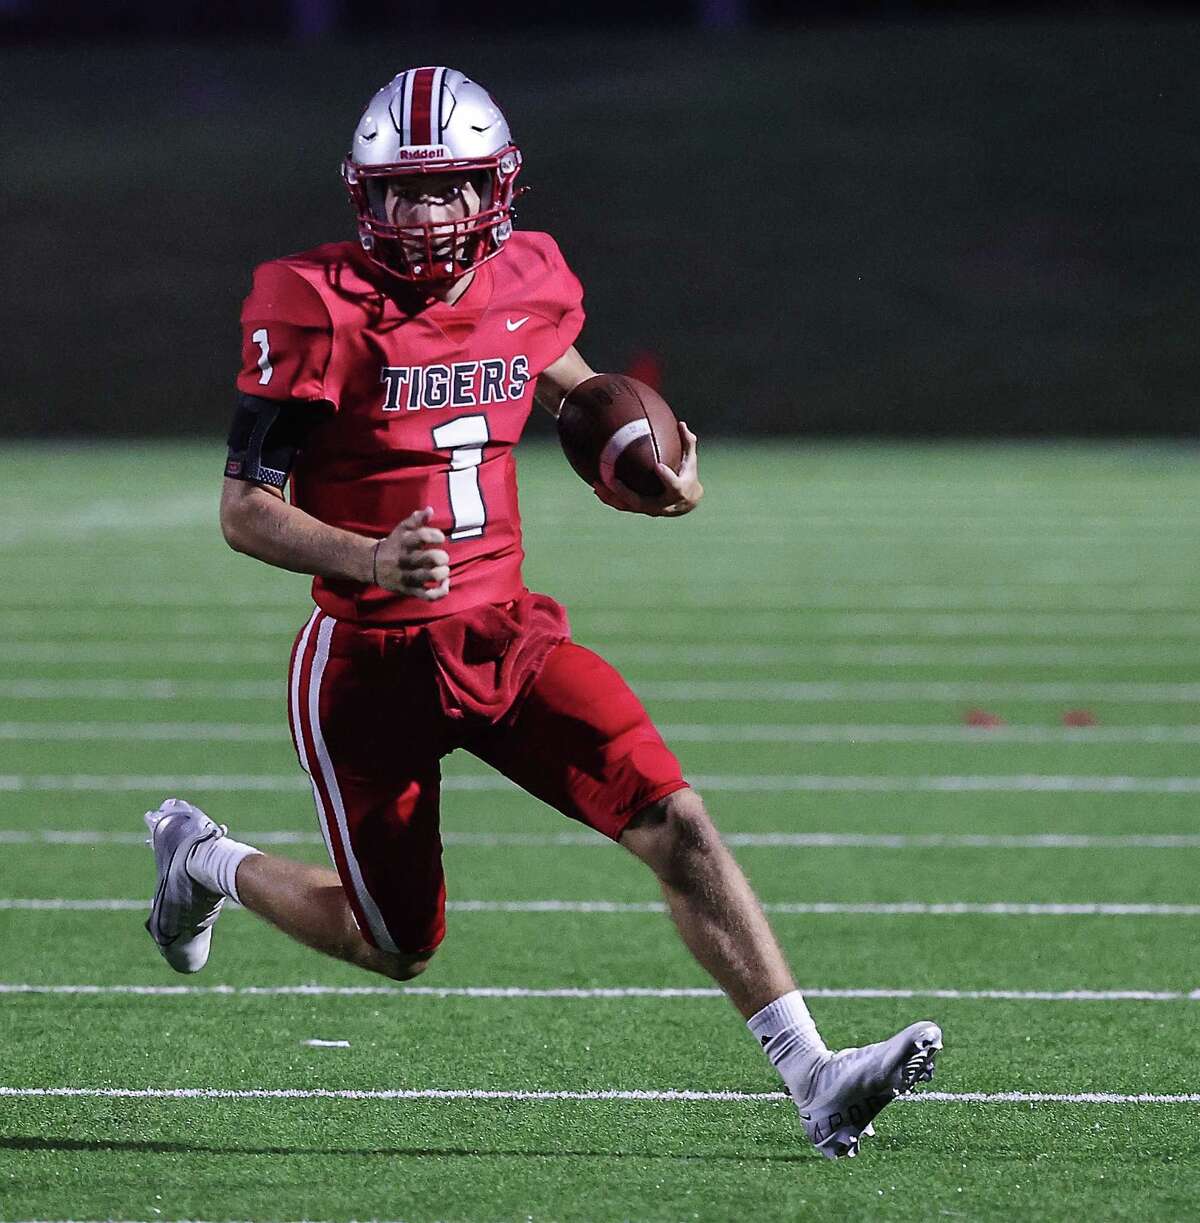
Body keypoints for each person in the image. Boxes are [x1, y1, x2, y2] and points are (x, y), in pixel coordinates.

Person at [143, 65, 941, 1159]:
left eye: (447, 189)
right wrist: (369, 555)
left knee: (677, 822)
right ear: (360, 196)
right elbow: (246, 510)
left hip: (508, 636)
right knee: (396, 944)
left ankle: (814, 1072)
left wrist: (655, 464)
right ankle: (203, 858)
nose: (422, 215)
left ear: (496, 190)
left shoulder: (528, 277)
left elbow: (567, 382)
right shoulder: (313, 302)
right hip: (368, 666)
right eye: (399, 192)